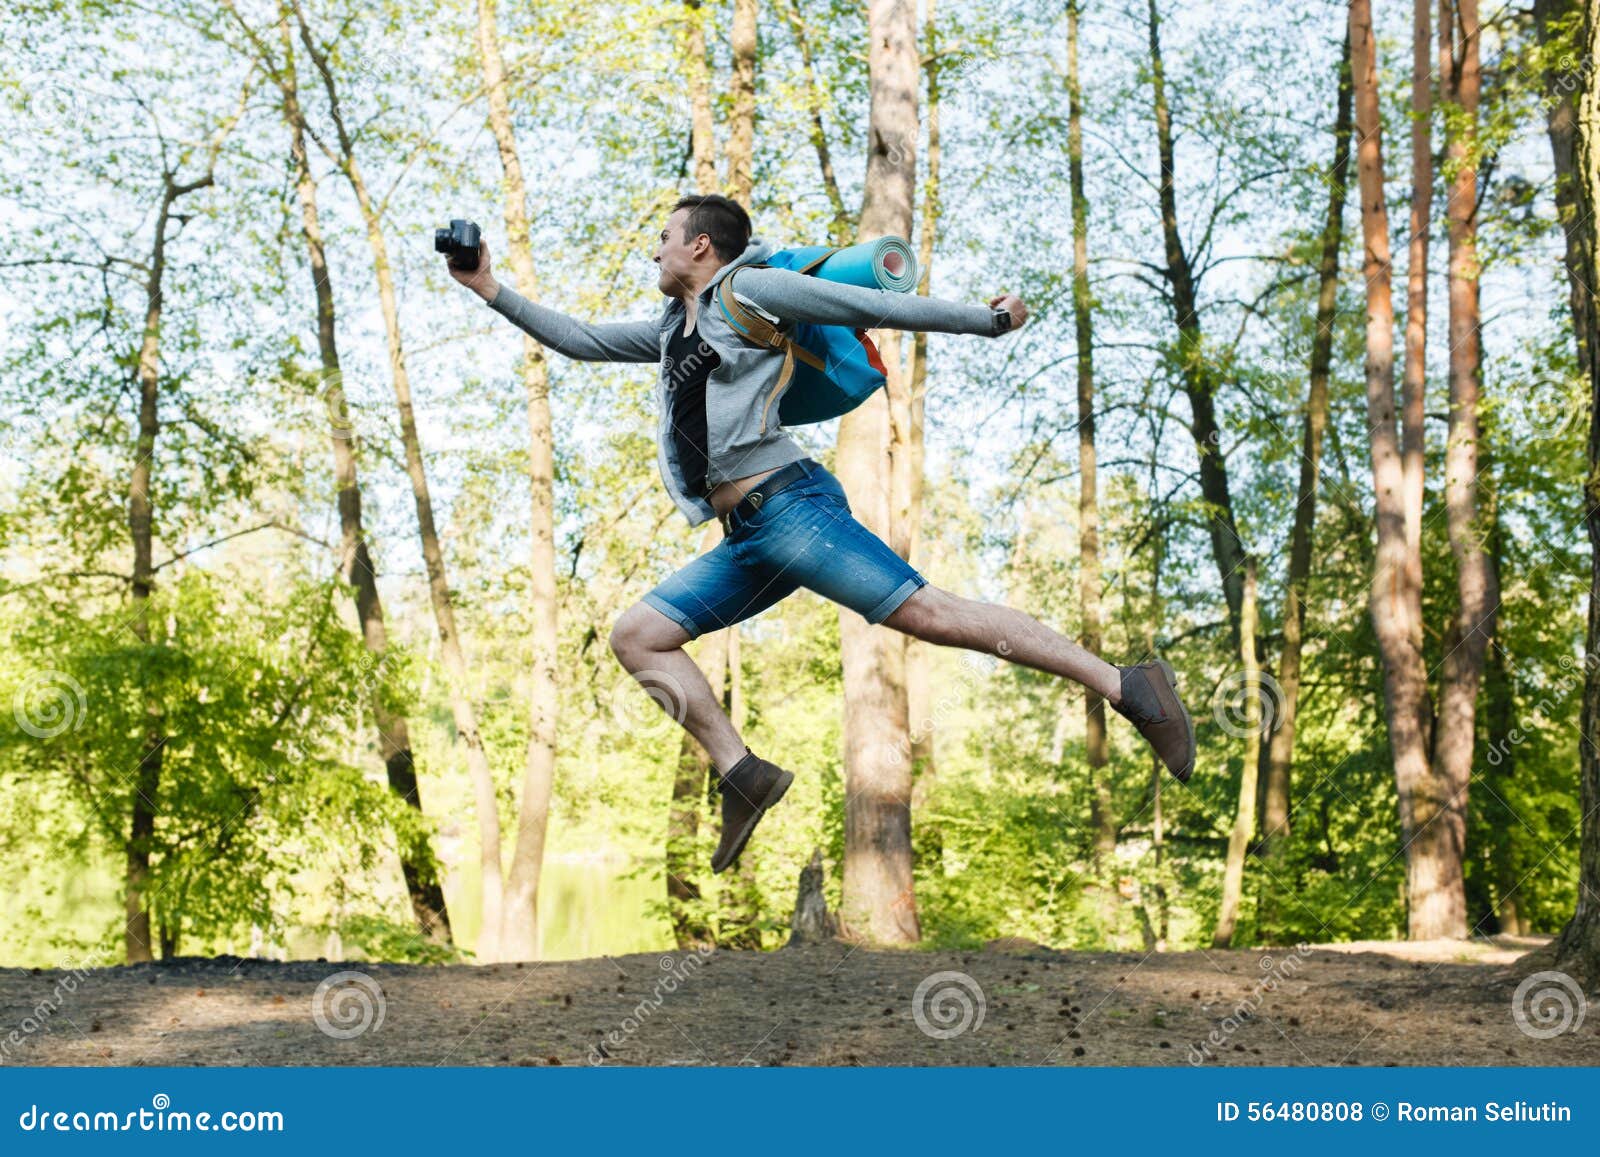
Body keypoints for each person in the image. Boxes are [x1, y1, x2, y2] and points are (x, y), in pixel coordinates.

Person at [449, 193, 1195, 876]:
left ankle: (1126, 686)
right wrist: (489, 287)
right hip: (745, 536)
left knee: (926, 613)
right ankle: (742, 772)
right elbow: (579, 339)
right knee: (638, 636)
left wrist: (987, 320)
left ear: (702, 246)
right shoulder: (674, 329)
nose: (654, 252)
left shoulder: (748, 290)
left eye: (665, 239)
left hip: (791, 508)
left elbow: (857, 303)